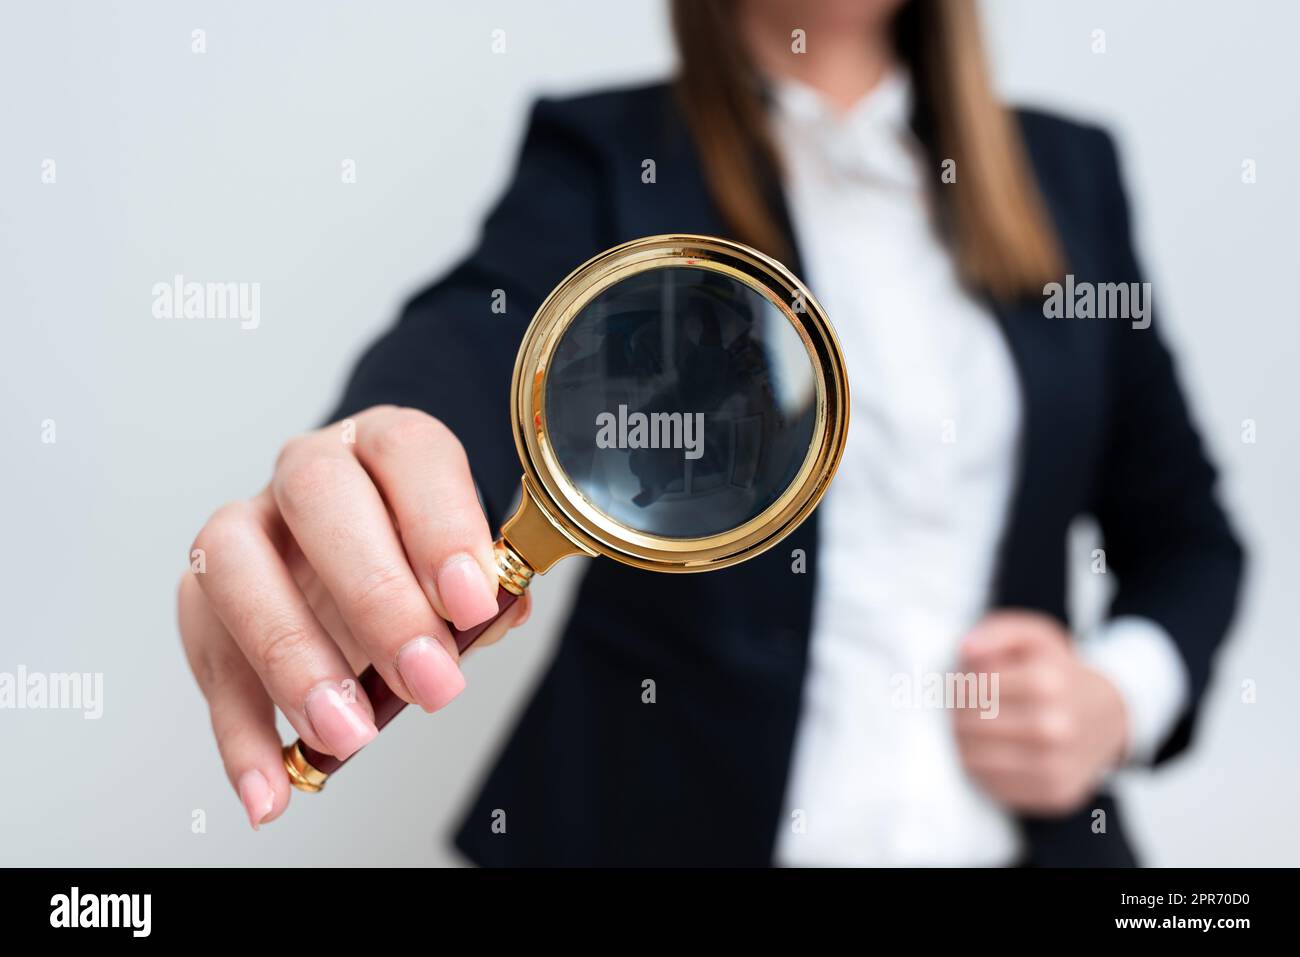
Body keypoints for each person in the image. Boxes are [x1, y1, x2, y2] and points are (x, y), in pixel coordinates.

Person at [177, 0, 1244, 865]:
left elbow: (1187, 534)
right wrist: (372, 454)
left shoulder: (1072, 176)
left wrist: (1121, 693)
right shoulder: (604, 153)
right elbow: (478, 330)